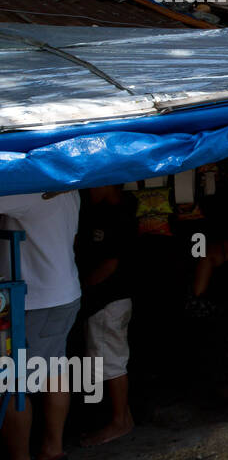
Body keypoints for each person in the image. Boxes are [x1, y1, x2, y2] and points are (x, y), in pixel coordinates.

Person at [0, 191, 81, 460]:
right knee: (55, 373)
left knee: (11, 382)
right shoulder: (69, 188)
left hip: (34, 301)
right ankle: (51, 451)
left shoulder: (30, 190)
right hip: (65, 292)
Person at [76, 184, 138, 446]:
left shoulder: (118, 215)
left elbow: (110, 264)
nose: (89, 188)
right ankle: (121, 416)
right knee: (109, 359)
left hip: (109, 301)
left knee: (110, 362)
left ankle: (119, 421)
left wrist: (83, 286)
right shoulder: (107, 211)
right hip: (108, 300)